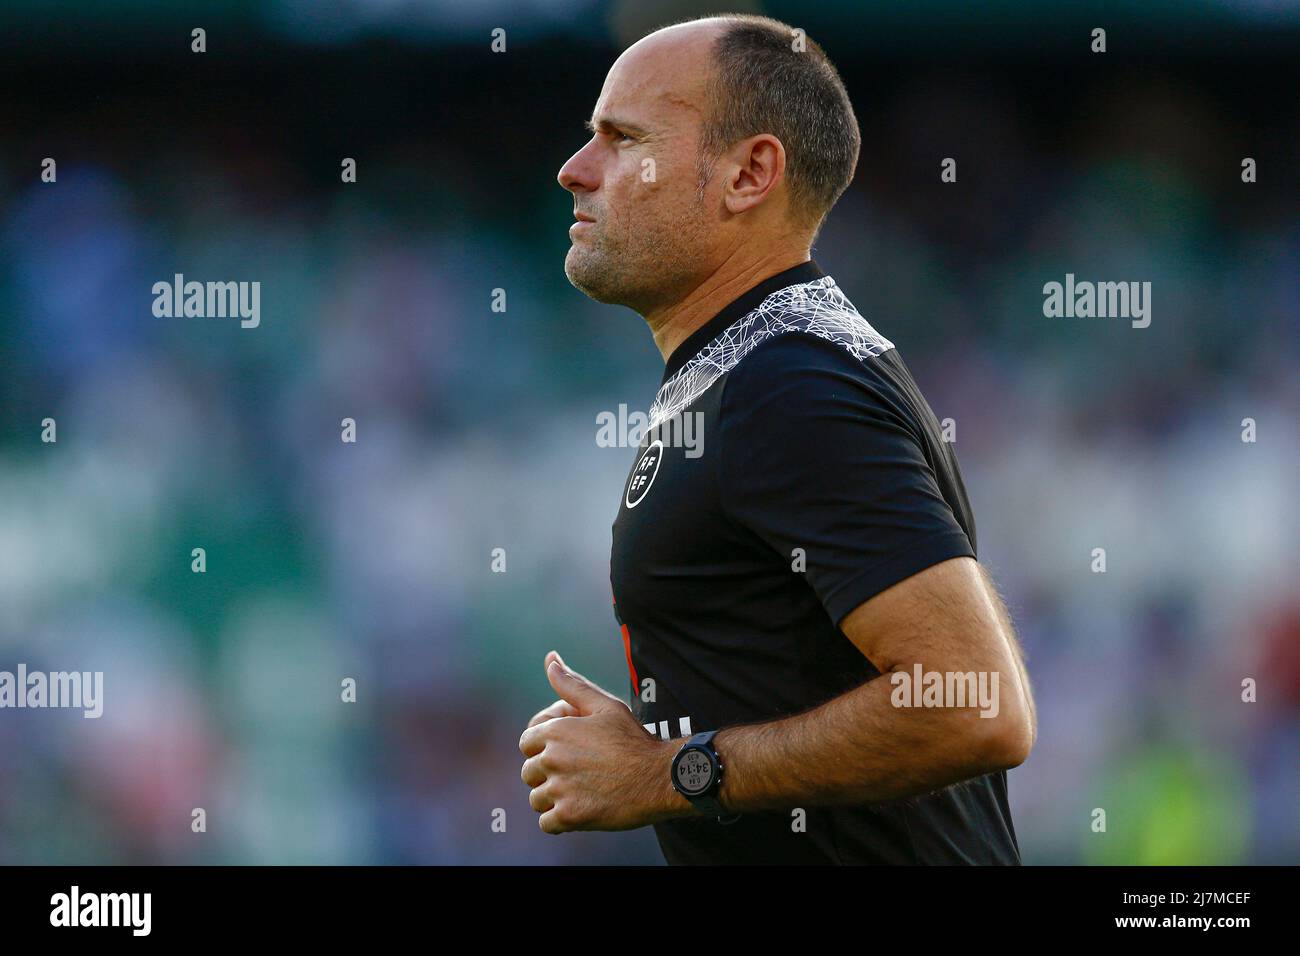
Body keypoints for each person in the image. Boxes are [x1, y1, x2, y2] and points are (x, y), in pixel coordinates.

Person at [519, 13, 1036, 864]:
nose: (575, 170)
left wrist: (664, 774)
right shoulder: (754, 364)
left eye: (621, 139)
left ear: (749, 173)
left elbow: (975, 703)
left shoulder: (789, 385)